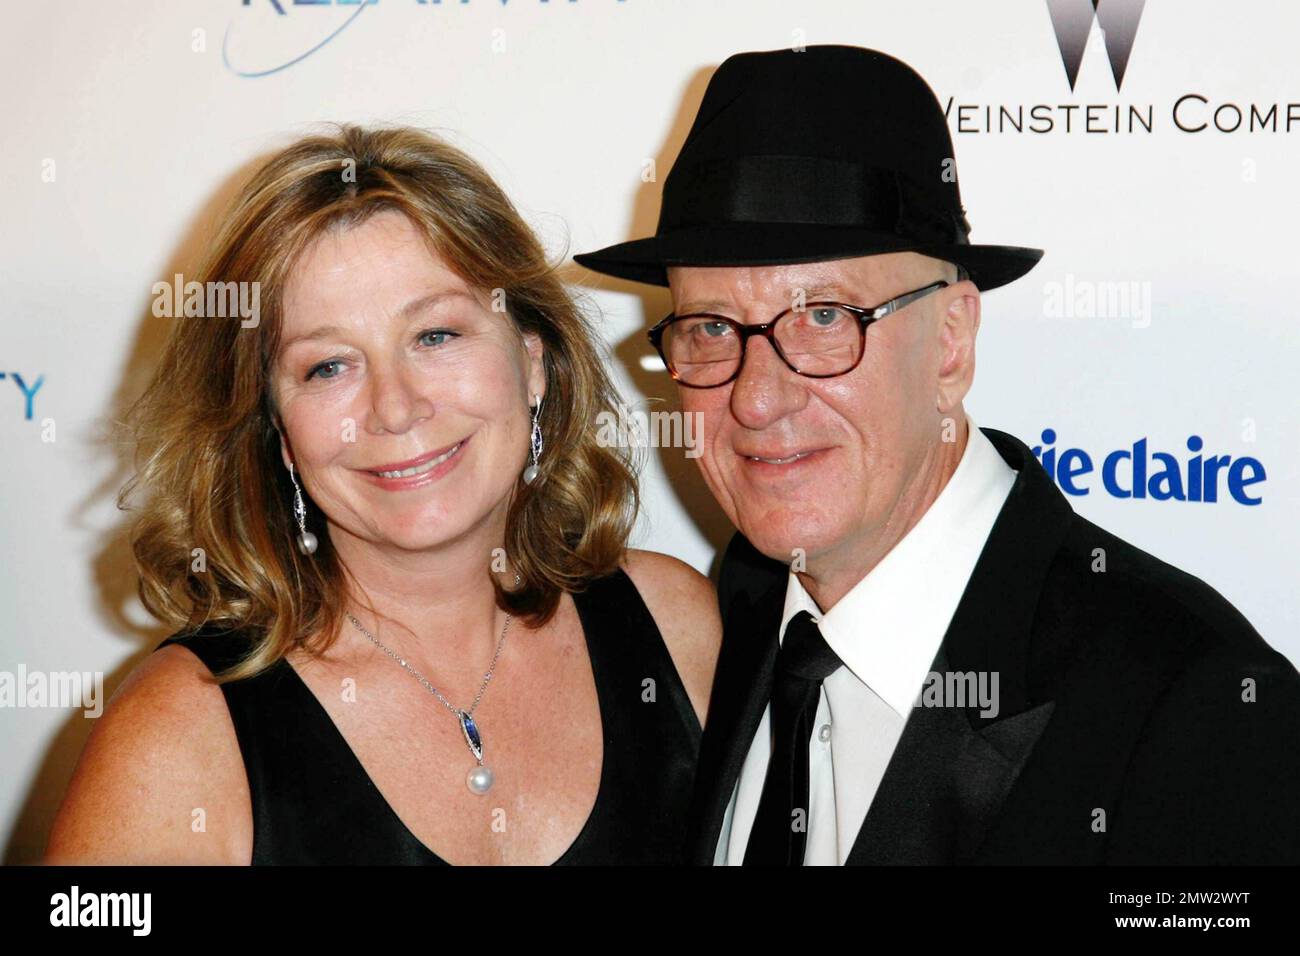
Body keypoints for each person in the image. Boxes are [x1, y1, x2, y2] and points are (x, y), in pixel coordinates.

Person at [573, 45, 1300, 865]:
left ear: (950, 345)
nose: (757, 398)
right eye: (710, 328)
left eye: (823, 319)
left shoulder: (1193, 706)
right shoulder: (732, 616)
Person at [46, 124, 721, 865]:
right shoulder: (179, 734)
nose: (395, 409)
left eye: (435, 335)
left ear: (532, 363)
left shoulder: (679, 627)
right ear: (274, 424)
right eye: (328, 367)